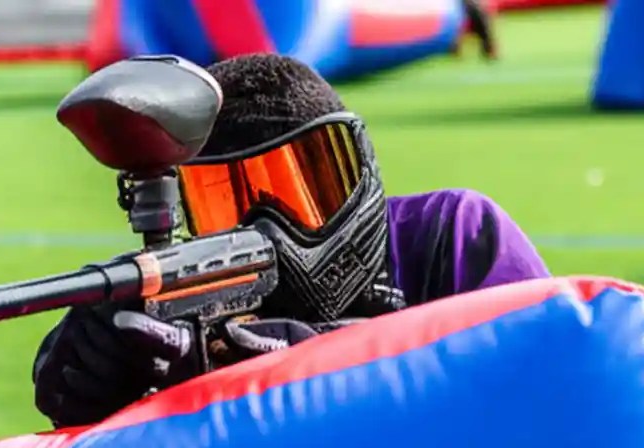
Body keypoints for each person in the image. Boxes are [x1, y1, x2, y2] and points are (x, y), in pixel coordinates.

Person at [33, 53, 550, 428]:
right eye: (224, 202)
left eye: (300, 186)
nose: (267, 230)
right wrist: (100, 389)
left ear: (358, 166)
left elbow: (543, 386)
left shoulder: (449, 234)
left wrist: (312, 364)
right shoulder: (193, 310)